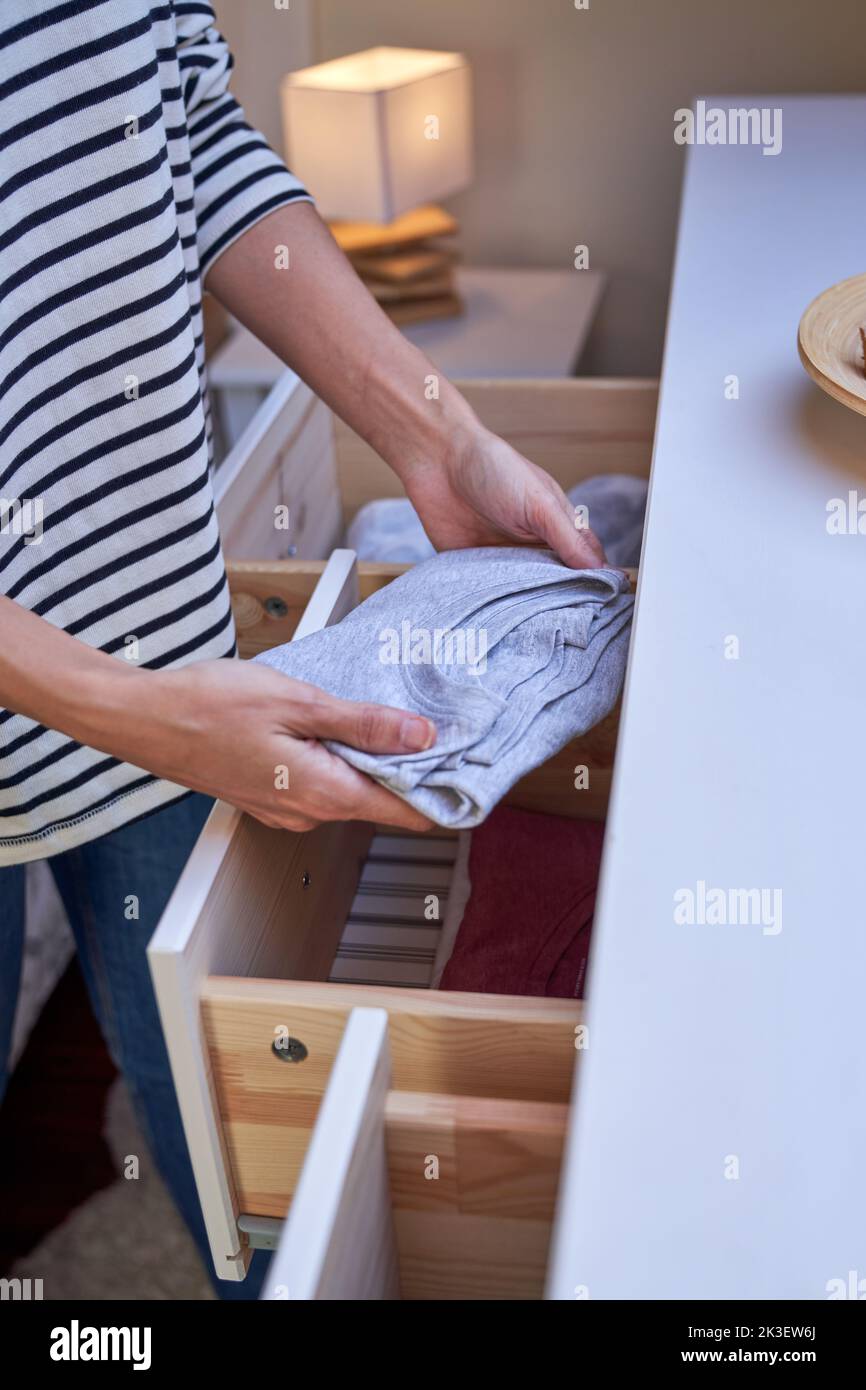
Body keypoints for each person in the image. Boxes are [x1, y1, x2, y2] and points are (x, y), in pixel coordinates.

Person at [0, 1, 605, 1296]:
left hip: (172, 636)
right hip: (153, 698)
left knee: (242, 1174)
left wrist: (433, 434)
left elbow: (193, 136)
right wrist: (124, 708)